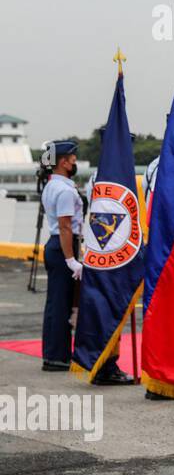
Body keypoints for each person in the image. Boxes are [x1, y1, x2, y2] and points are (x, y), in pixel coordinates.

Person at [39, 139, 83, 372]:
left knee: (56, 302)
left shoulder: (52, 185)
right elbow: (65, 226)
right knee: (60, 303)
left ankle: (54, 354)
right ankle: (57, 356)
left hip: (57, 245)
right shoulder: (64, 190)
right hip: (63, 246)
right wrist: (71, 260)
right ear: (64, 162)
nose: (75, 161)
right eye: (73, 158)